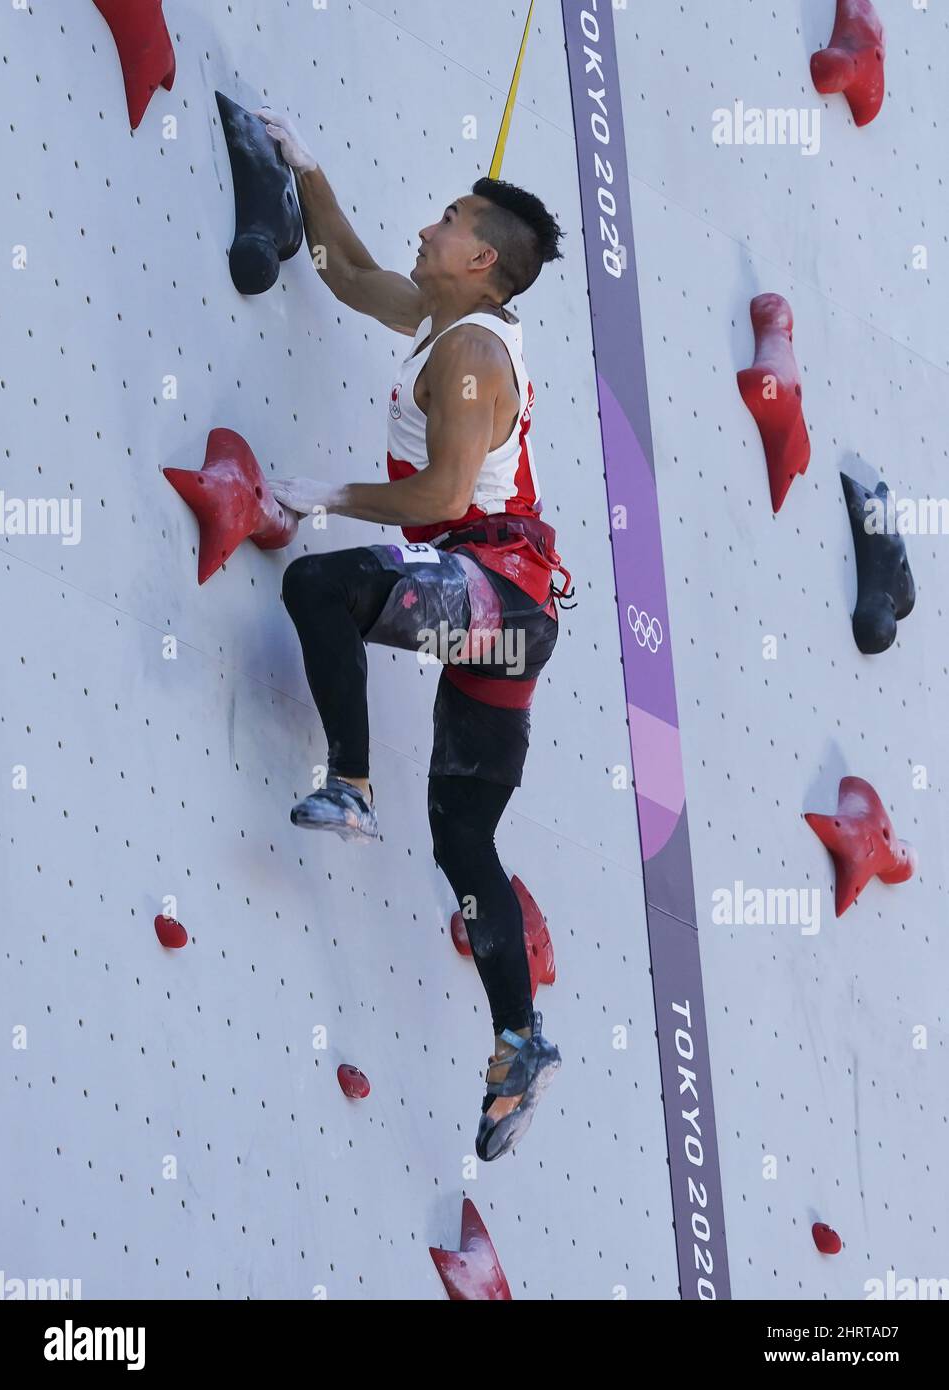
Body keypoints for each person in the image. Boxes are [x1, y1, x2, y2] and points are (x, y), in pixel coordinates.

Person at [256, 108, 574, 1161]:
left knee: (322, 587)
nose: (428, 228)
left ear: (483, 261)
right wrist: (306, 163)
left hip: (499, 592)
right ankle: (519, 1038)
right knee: (462, 838)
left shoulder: (474, 357)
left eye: (448, 220)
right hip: (495, 605)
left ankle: (349, 783)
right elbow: (345, 273)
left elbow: (441, 488)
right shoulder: (442, 320)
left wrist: (327, 495)